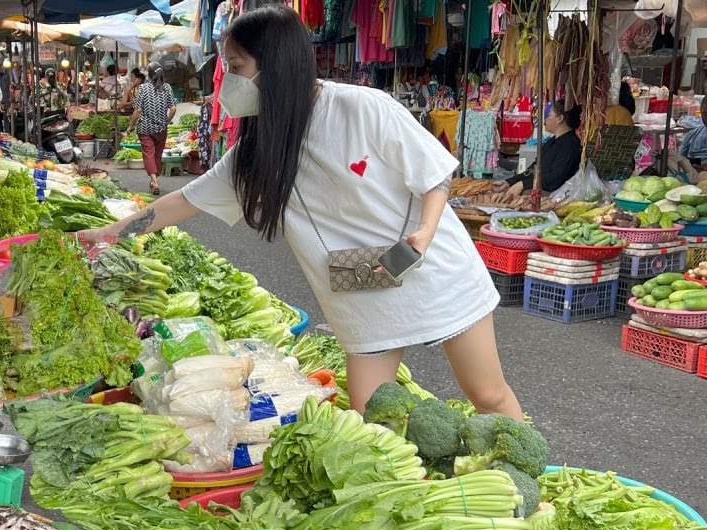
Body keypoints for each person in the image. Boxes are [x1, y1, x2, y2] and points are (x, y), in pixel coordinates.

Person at [80, 5, 522, 421]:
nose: (227, 80)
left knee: (487, 394)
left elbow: (434, 174)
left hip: (429, 268)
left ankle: (525, 496)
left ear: (275, 65)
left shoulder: (361, 107)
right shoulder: (257, 149)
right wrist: (112, 232)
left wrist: (424, 234)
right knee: (370, 413)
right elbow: (183, 200)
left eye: (236, 67)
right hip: (359, 281)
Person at [500, 104, 583, 194]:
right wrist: (509, 182)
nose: (545, 119)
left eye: (549, 115)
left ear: (560, 118)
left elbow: (556, 178)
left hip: (557, 195)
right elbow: (533, 169)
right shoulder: (551, 142)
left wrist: (523, 184)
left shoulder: (570, 146)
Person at [131, 64, 177, 195]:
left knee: (148, 153)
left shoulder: (144, 88)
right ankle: (154, 179)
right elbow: (173, 108)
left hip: (145, 128)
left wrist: (130, 125)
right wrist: (166, 121)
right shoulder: (167, 87)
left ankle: (154, 182)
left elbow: (138, 110)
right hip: (161, 128)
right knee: (157, 154)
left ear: (149, 75)